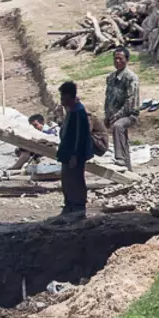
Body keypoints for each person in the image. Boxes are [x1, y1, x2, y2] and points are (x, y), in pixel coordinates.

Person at [58, 80, 95, 217]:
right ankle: (69, 205)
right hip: (68, 152)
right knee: (67, 179)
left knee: (76, 179)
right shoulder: (71, 110)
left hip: (75, 154)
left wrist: (74, 155)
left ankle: (78, 207)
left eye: (63, 96)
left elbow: (79, 136)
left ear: (70, 96)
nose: (61, 99)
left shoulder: (78, 112)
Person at [104, 46, 140, 170]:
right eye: (116, 59)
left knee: (118, 126)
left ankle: (120, 158)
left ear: (127, 60)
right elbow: (108, 98)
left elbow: (130, 101)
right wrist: (107, 116)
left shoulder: (131, 78)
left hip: (129, 115)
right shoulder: (111, 78)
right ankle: (128, 168)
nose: (118, 61)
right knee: (122, 140)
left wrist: (117, 116)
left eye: (121, 59)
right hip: (115, 114)